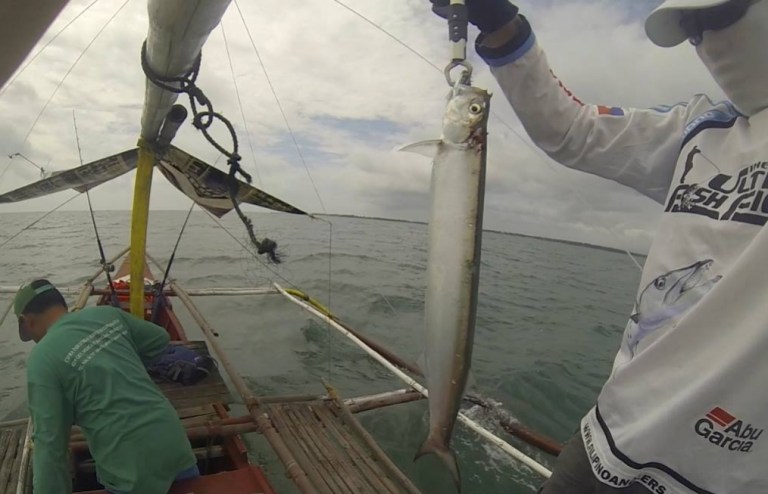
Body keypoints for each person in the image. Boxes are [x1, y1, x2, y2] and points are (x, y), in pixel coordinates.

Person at [428, 0, 768, 492]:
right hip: (605, 438)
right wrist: (502, 26)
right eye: (693, 26)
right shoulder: (700, 127)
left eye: (717, 16)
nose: (706, 40)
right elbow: (572, 129)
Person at [15, 279, 199, 494]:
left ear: (26, 321)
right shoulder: (105, 314)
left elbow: (49, 447)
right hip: (174, 443)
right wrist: (122, 364)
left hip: (131, 468)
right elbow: (159, 338)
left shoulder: (42, 358)